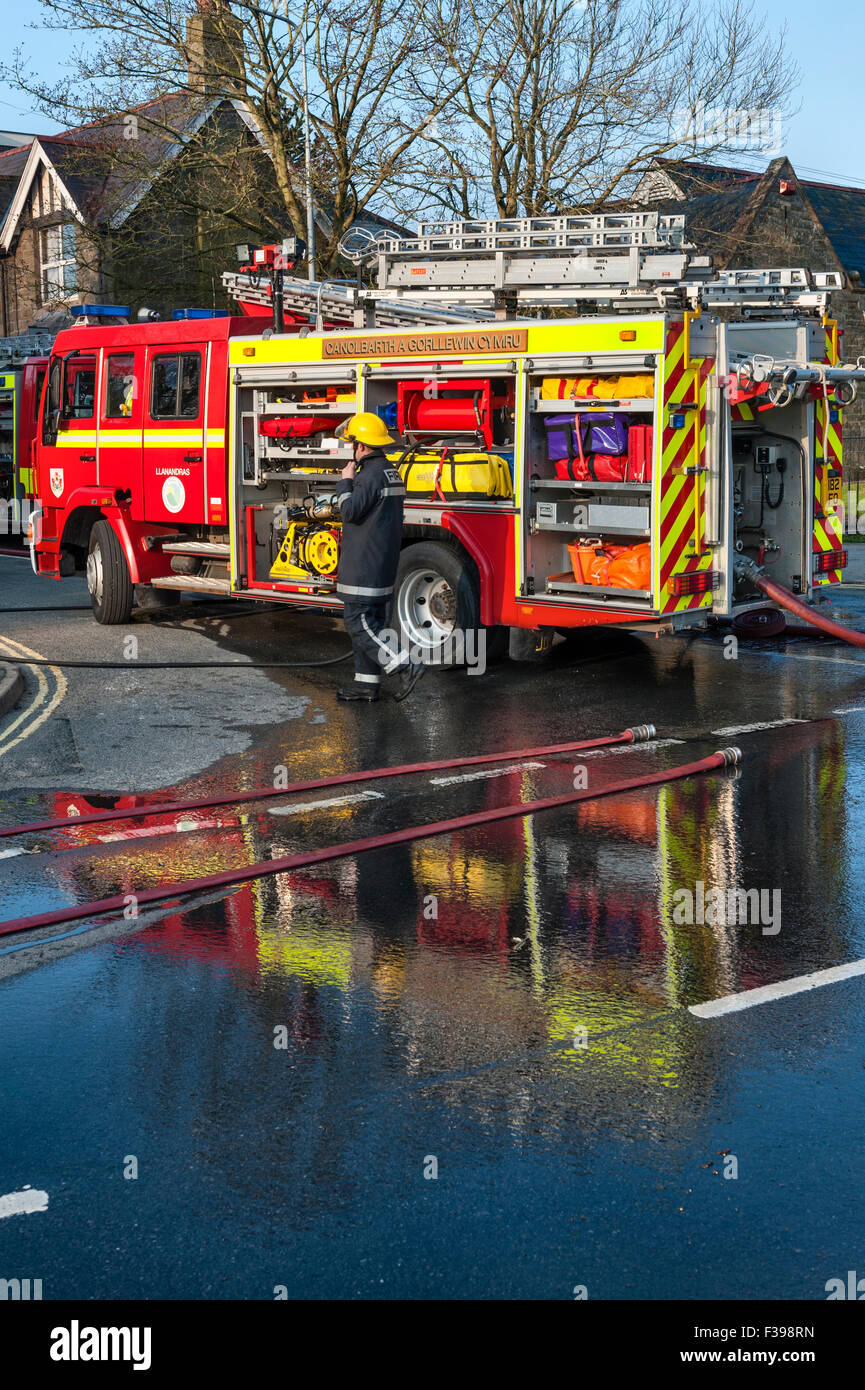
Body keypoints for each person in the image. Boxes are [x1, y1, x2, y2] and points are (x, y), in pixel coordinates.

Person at [333, 412, 425, 702]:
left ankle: (404, 664)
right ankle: (366, 683)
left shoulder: (368, 476)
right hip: (381, 565)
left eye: (353, 444)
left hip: (363, 568)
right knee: (372, 625)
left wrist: (345, 483)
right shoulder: (390, 471)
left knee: (358, 625)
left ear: (361, 446)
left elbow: (349, 511)